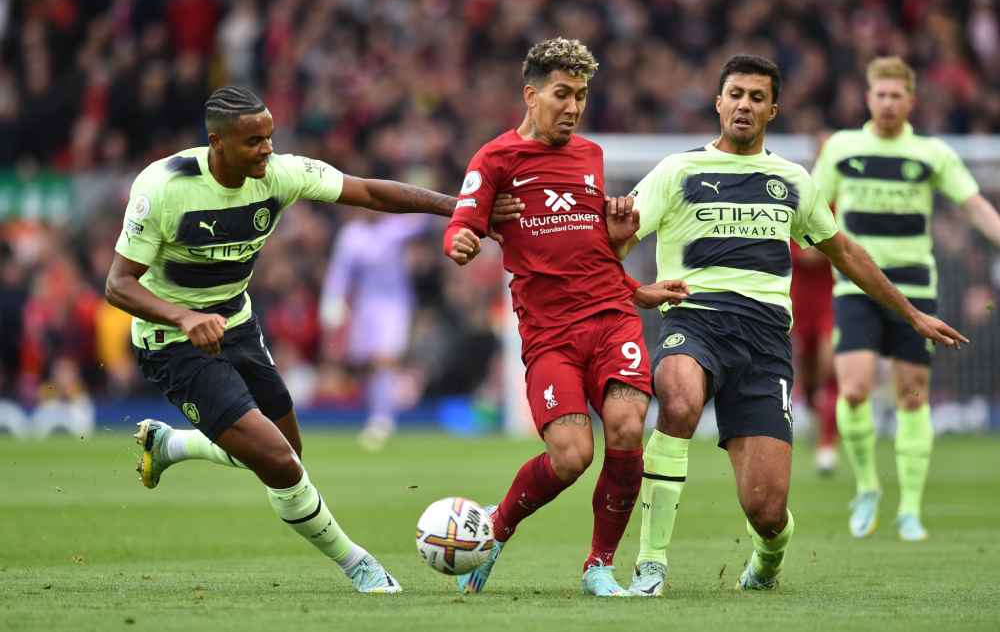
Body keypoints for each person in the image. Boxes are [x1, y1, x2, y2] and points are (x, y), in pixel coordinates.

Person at [105, 86, 520, 594]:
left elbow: (370, 193)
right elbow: (118, 285)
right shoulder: (165, 187)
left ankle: (170, 444)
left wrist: (465, 210)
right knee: (279, 463)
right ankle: (359, 564)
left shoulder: (280, 173)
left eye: (270, 137)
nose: (267, 149)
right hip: (172, 339)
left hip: (237, 323)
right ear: (217, 143)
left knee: (286, 456)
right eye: (253, 141)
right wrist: (184, 317)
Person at [606, 55, 966, 595]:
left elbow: (845, 253)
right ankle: (650, 564)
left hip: (766, 341)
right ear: (719, 101)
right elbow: (611, 245)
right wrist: (634, 286)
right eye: (735, 94)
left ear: (772, 109)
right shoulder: (677, 171)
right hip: (695, 320)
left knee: (766, 510)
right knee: (677, 401)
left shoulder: (793, 180)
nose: (744, 105)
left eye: (757, 97)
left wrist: (912, 314)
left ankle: (767, 560)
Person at [444, 38, 688, 596]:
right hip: (549, 335)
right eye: (562, 94)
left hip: (612, 318)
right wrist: (460, 241)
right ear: (531, 96)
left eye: (581, 95)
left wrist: (636, 287)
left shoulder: (592, 156)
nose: (573, 106)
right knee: (573, 456)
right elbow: (462, 221)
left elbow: (590, 251)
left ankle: (599, 566)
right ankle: (498, 528)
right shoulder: (495, 159)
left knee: (626, 427)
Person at [811, 57, 1000, 541]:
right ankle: (867, 487)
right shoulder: (841, 148)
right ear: (868, 97)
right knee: (854, 389)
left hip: (915, 288)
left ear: (910, 101)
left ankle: (910, 509)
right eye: (881, 94)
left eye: (897, 96)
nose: (888, 103)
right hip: (856, 285)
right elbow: (810, 206)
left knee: (912, 395)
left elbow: (974, 205)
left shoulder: (931, 153)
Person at [320, 210, 430, 450]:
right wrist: (332, 301)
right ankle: (374, 411)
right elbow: (339, 272)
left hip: (394, 304)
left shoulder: (395, 227)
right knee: (364, 362)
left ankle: (383, 419)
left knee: (385, 357)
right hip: (363, 306)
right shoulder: (351, 235)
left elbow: (424, 222)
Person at [789, 242, 839, 474]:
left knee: (830, 366)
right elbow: (799, 253)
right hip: (801, 299)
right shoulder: (790, 217)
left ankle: (827, 444)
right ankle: (811, 409)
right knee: (808, 371)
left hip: (831, 296)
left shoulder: (839, 216)